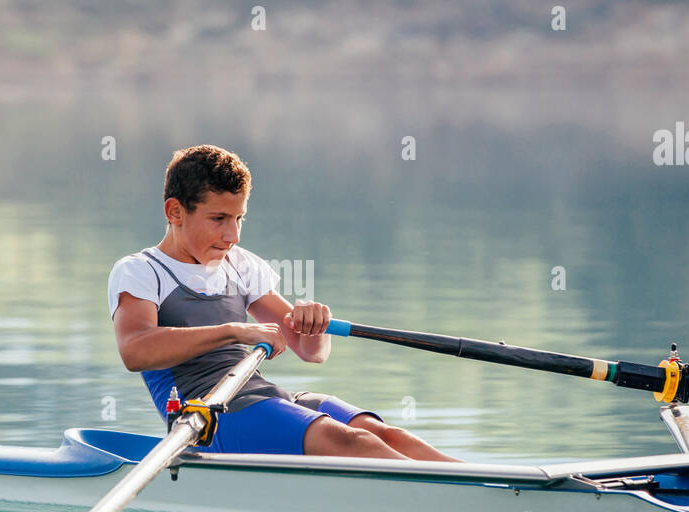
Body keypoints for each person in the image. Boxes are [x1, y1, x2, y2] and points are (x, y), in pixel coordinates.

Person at [107, 144, 461, 461]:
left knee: (383, 434)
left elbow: (311, 351)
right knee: (352, 443)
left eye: (238, 218)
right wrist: (232, 331)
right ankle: (458, 505)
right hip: (205, 418)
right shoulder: (140, 271)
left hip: (261, 396)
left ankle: (495, 490)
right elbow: (135, 351)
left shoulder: (241, 265)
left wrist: (315, 321)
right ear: (175, 212)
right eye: (218, 219)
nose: (232, 235)